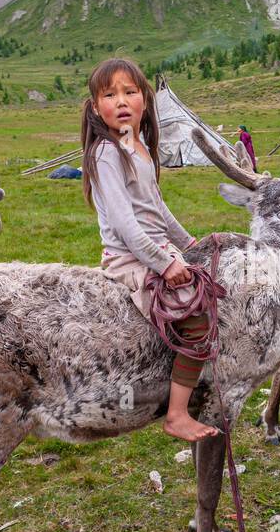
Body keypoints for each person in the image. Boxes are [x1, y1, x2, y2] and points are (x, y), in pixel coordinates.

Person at [81, 58, 220, 442]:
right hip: (128, 257)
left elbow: (158, 209)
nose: (121, 101)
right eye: (109, 95)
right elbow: (126, 226)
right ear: (96, 107)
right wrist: (163, 262)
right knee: (198, 322)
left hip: (155, 247)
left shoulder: (137, 146)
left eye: (130, 91)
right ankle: (177, 414)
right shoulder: (106, 154)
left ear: (146, 99)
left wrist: (190, 245)